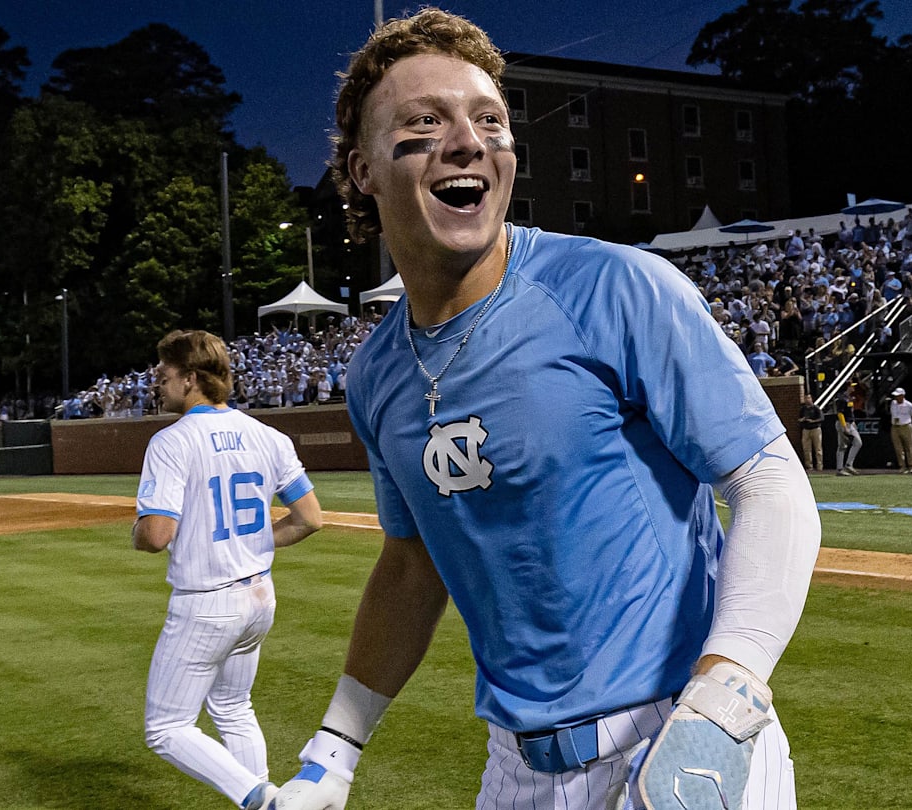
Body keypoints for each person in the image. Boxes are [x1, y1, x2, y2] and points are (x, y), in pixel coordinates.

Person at [272, 9, 820, 810]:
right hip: (516, 769)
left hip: (679, 733)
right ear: (361, 170)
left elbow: (771, 487)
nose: (468, 140)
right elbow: (414, 561)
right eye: (426, 122)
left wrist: (721, 705)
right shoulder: (374, 375)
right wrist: (334, 751)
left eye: (489, 120)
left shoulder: (617, 287)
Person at [133, 329, 324, 810]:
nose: (158, 384)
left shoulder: (171, 441)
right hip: (259, 596)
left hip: (206, 602)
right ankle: (266, 799)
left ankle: (265, 799)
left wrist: (135, 533)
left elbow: (156, 536)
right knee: (234, 708)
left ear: (191, 379)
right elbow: (309, 519)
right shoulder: (270, 436)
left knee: (167, 728)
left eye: (165, 375)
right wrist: (255, 541)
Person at [887, 387, 912, 473]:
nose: (896, 398)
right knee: (898, 448)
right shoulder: (893, 403)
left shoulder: (909, 405)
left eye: (898, 396)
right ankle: (902, 466)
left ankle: (911, 466)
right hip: (895, 427)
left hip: (906, 426)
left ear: (902, 395)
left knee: (909, 447)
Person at [834, 397, 862, 476]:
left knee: (858, 442)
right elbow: (840, 413)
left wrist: (853, 421)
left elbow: (850, 412)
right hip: (843, 423)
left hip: (850, 423)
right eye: (851, 385)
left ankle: (849, 465)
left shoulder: (849, 398)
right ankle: (839, 469)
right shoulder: (842, 398)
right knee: (842, 446)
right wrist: (844, 426)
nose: (853, 388)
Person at [798, 391, 824, 472]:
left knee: (818, 449)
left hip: (815, 429)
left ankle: (819, 466)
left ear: (811, 399)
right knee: (806, 449)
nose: (807, 400)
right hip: (806, 429)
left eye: (808, 398)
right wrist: (802, 420)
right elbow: (799, 418)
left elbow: (821, 418)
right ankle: (809, 466)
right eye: (805, 398)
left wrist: (812, 421)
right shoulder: (803, 409)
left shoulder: (816, 408)